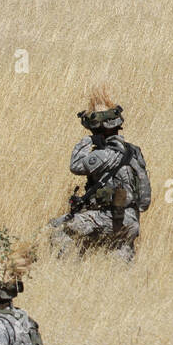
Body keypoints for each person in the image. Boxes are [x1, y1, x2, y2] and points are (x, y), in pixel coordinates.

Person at [49, 88, 151, 259]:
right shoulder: (134, 152)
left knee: (57, 228)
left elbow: (75, 165)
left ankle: (69, 273)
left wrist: (88, 141)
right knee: (119, 261)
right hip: (132, 221)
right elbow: (144, 201)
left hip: (110, 219)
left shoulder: (104, 155)